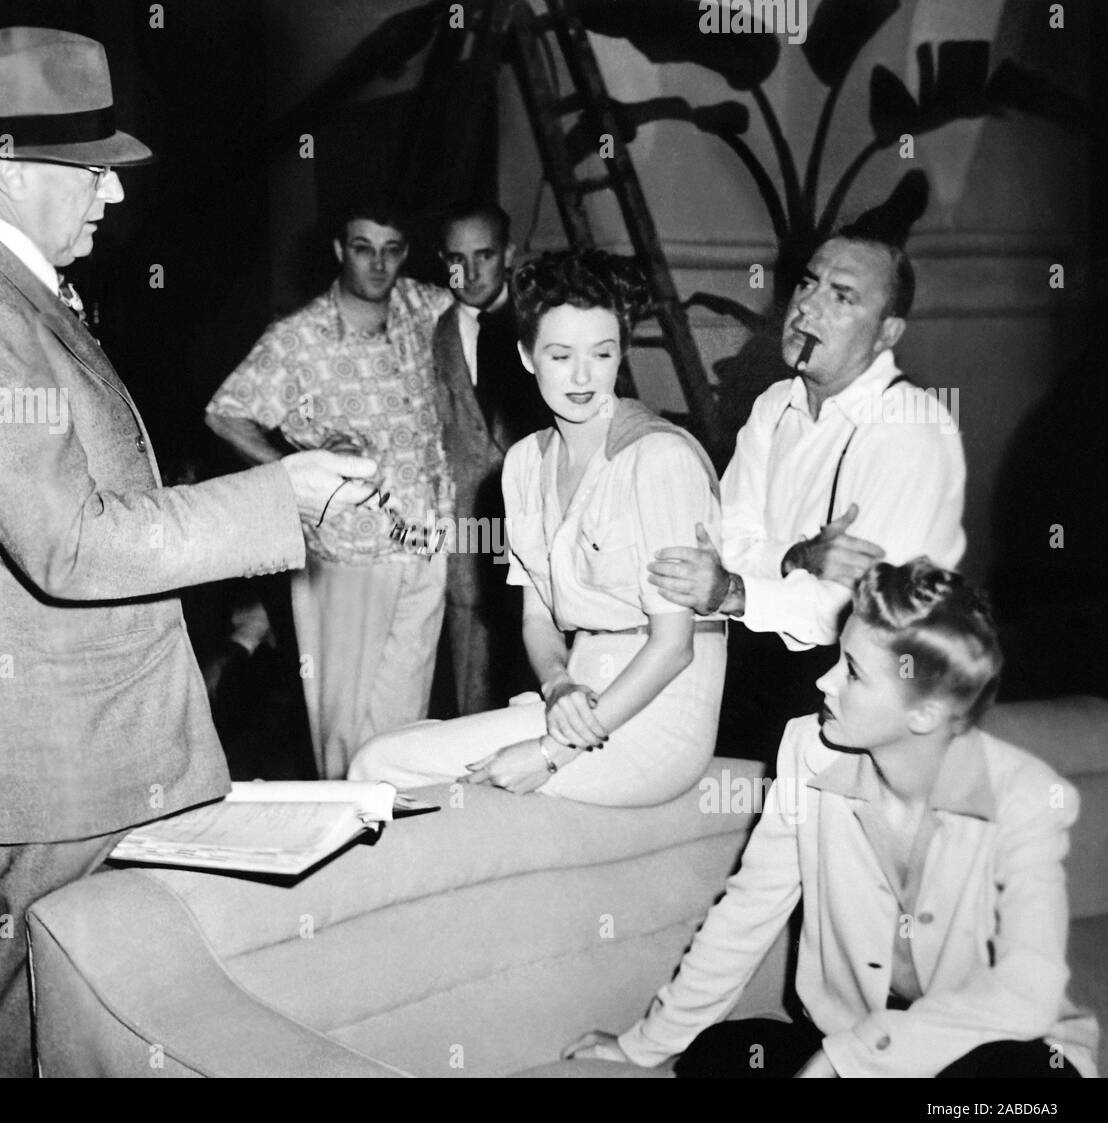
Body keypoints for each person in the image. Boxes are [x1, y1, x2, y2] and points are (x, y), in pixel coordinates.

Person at [0, 27, 376, 1077]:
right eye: (89, 169)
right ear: (6, 164)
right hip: (55, 775)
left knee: (95, 1027)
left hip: (78, 758)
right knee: (19, 1043)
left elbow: (65, 502)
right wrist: (271, 500)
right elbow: (68, 546)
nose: (110, 194)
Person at [563, 558, 1099, 1077]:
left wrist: (851, 1060)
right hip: (846, 1034)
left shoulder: (1027, 798)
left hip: (989, 1051)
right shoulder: (807, 750)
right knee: (725, 1054)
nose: (826, 682)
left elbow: (1027, 991)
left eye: (854, 673)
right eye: (838, 658)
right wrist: (644, 1047)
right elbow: (747, 913)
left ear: (925, 713)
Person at [349, 250, 726, 807]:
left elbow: (674, 649)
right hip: (578, 688)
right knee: (403, 743)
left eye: (601, 354)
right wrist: (557, 685)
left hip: (659, 714)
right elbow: (537, 619)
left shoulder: (658, 458)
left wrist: (552, 753)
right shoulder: (524, 463)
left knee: (377, 763)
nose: (581, 376)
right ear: (528, 356)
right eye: (559, 354)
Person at [649, 230, 965, 764]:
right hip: (769, 673)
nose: (807, 308)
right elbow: (725, 542)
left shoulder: (910, 429)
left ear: (887, 332)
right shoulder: (776, 404)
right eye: (808, 283)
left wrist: (735, 592)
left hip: (875, 705)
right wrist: (797, 558)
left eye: (842, 297)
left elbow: (855, 613)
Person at [206, 199, 454, 780]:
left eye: (391, 250)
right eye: (363, 248)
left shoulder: (421, 305)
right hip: (347, 556)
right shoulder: (297, 339)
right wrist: (293, 469)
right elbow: (226, 413)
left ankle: (393, 848)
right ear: (341, 250)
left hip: (424, 545)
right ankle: (346, 841)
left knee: (404, 721)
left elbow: (476, 298)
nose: (378, 264)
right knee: (342, 727)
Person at [433, 201, 549, 714]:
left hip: (538, 528)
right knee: (469, 676)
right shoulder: (428, 329)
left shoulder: (545, 324)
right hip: (463, 536)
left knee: (536, 666)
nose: (471, 271)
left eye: (484, 255)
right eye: (457, 258)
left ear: (509, 254)